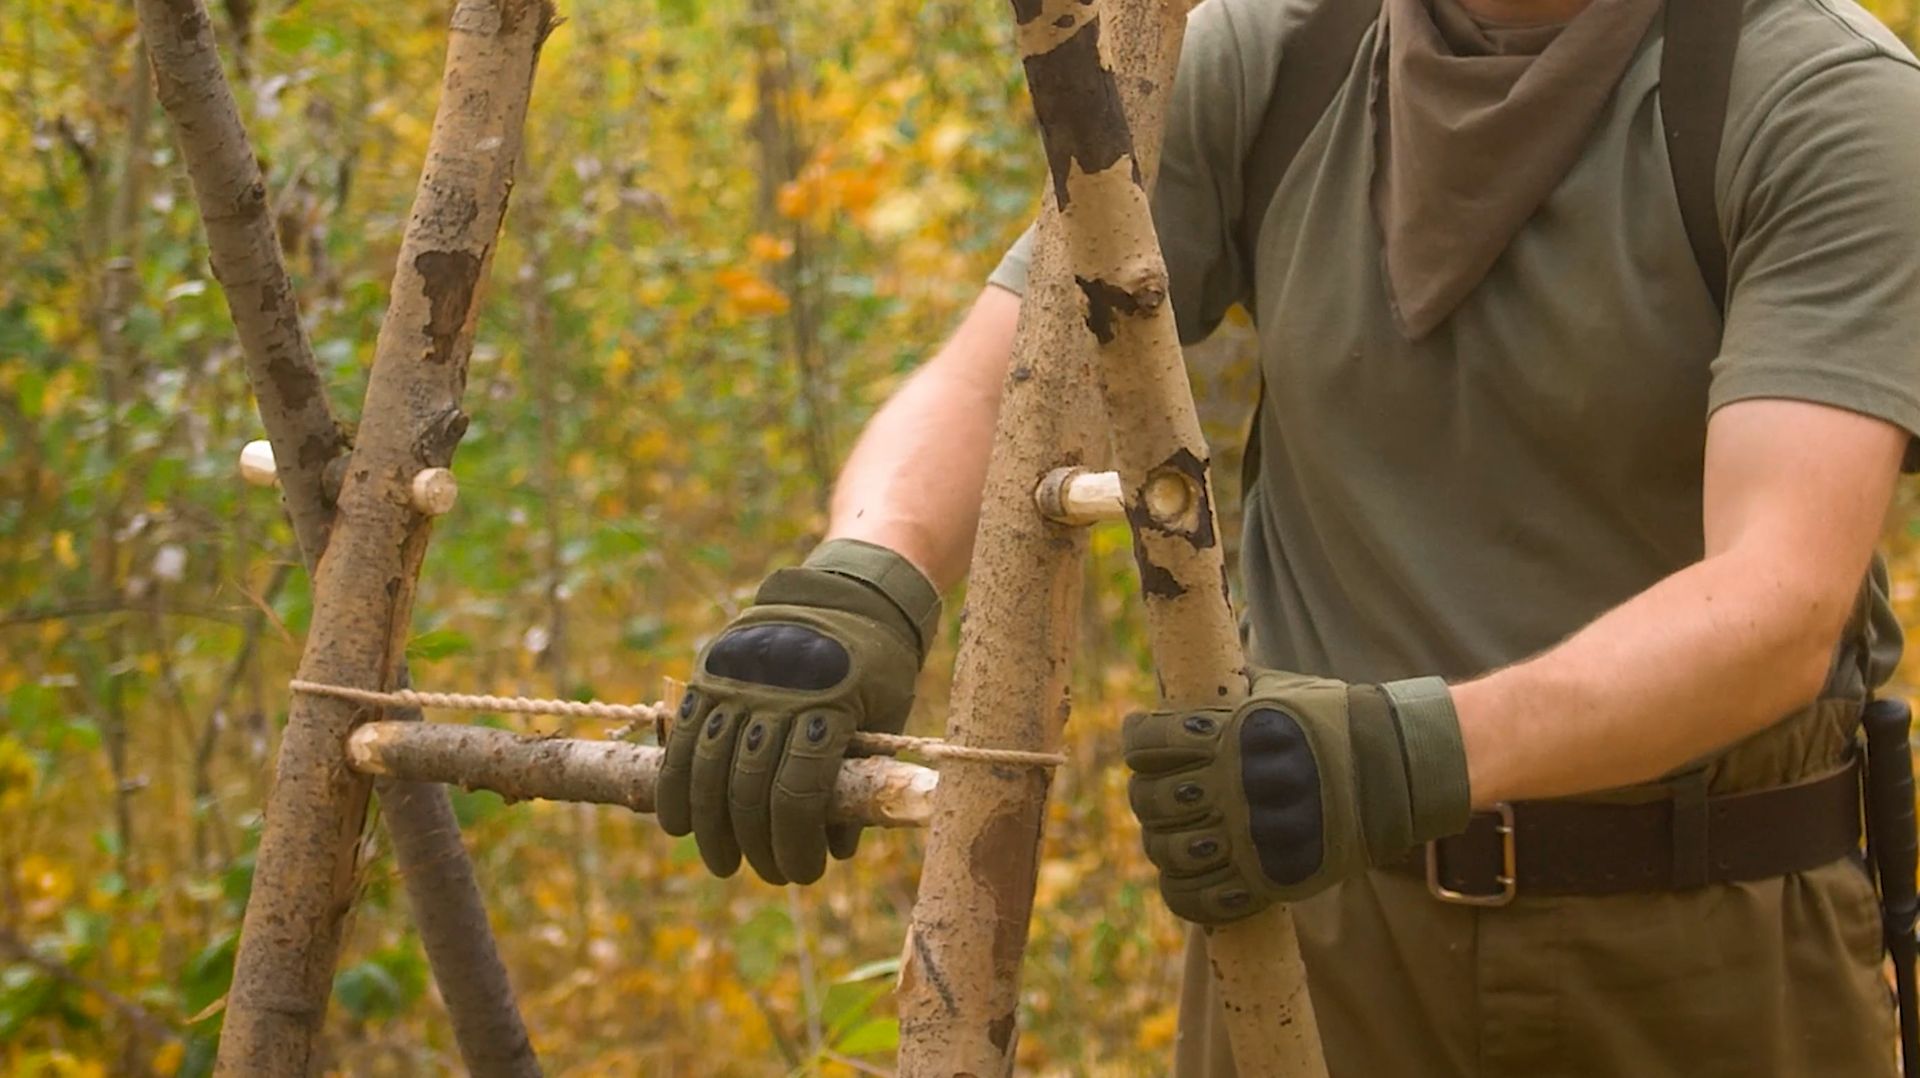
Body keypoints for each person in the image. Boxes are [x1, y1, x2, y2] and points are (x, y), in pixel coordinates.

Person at [655, 0, 1920, 1069]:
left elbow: (1778, 605)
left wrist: (1404, 752)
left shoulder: (1818, 101)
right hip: (1314, 937)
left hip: (1704, 943)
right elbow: (1009, 380)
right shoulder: (1270, 61)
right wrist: (861, 580)